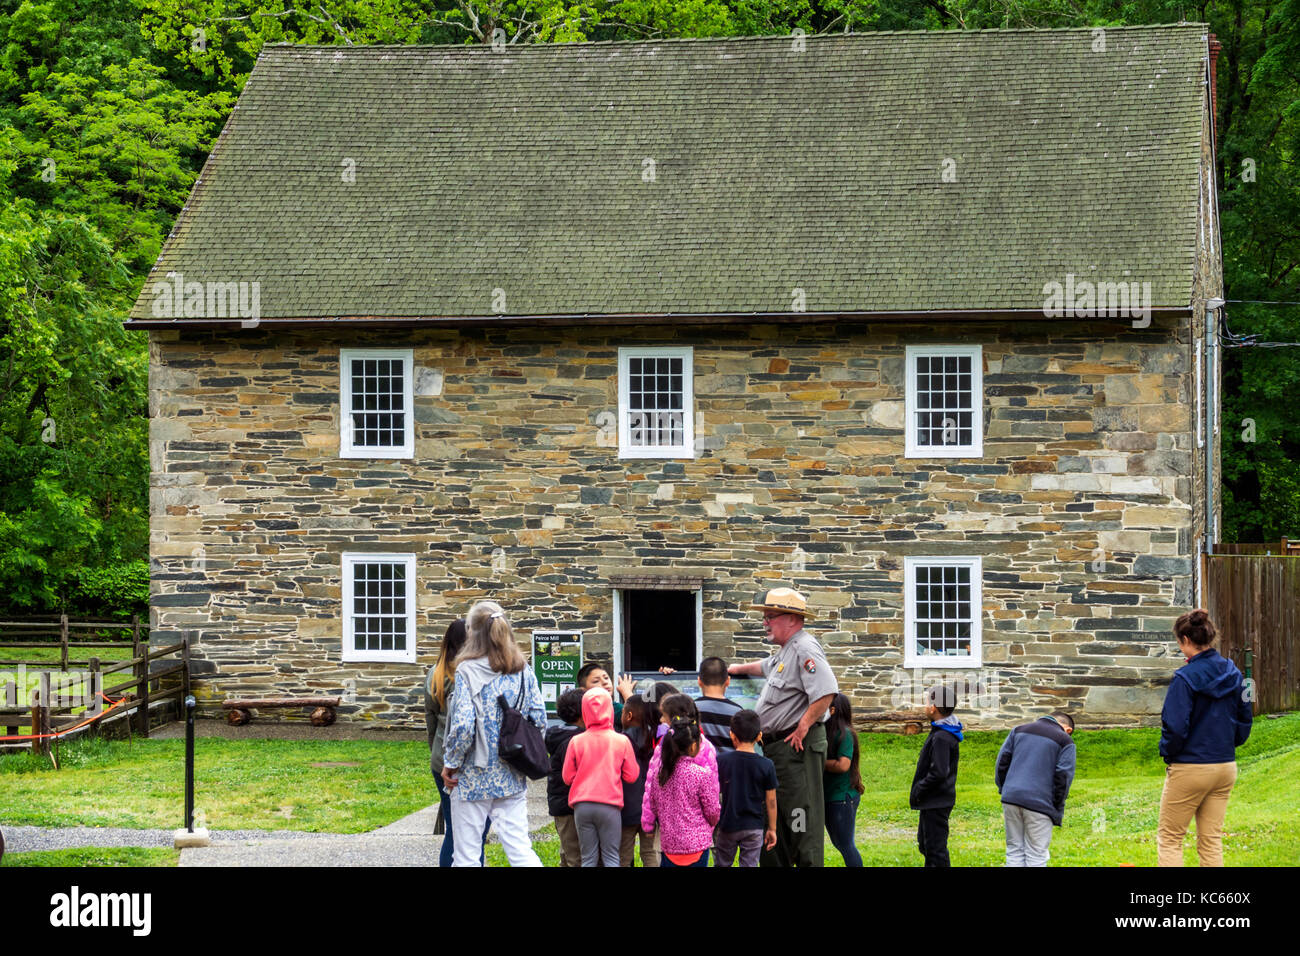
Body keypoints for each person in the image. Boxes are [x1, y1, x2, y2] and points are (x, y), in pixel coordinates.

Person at [728, 586, 838, 866]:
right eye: (765, 616)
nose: (765, 622)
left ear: (792, 618)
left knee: (801, 816)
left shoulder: (804, 647)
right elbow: (765, 666)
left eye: (771, 616)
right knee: (779, 816)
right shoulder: (785, 651)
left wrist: (802, 727)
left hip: (796, 750)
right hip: (778, 750)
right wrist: (736, 669)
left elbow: (826, 691)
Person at [441, 601, 547, 867]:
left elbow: (463, 726)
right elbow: (539, 720)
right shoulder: (524, 670)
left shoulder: (466, 670)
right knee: (521, 850)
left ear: (472, 632)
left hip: (473, 776)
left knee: (466, 855)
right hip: (511, 771)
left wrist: (451, 762)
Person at [1156, 609, 1253, 867]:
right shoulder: (1235, 674)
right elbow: (1246, 713)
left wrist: (1169, 753)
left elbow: (1175, 726)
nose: (1180, 648)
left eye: (1179, 642)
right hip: (1224, 766)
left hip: (1190, 767)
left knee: (1170, 838)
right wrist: (1229, 743)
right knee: (1211, 839)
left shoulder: (1184, 678)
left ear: (1186, 640)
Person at [424, 619, 488, 867]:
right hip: (473, 760)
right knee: (477, 830)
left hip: (442, 759)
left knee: (454, 828)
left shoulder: (435, 675)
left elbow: (431, 720)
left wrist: (436, 754)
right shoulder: (478, 674)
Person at [563, 687, 640, 867]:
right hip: (610, 805)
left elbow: (567, 778)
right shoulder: (621, 740)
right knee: (612, 857)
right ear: (610, 710)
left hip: (582, 805)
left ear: (584, 711)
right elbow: (632, 776)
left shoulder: (576, 741)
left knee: (588, 858)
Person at [642, 695, 721, 867]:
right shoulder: (703, 762)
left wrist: (648, 822)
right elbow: (712, 803)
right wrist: (711, 824)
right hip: (698, 842)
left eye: (664, 715)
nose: (661, 719)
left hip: (670, 842)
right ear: (692, 747)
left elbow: (651, 794)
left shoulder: (660, 768)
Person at [994, 711, 1075, 867]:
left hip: (1011, 797)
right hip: (1041, 802)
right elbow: (1063, 777)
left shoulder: (1018, 730)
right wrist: (1056, 805)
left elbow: (1002, 762)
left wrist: (1005, 789)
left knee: (1014, 850)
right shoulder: (1065, 741)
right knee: (1036, 854)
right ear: (1068, 730)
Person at [715, 709, 778, 867]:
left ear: (732, 735)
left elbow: (713, 793)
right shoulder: (767, 764)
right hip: (754, 826)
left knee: (722, 863)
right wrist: (772, 828)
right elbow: (771, 801)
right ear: (759, 736)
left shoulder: (721, 761)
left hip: (727, 824)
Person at [909, 682, 962, 867]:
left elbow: (939, 772)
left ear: (933, 707)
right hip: (933, 800)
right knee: (926, 844)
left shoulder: (942, 737)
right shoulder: (941, 731)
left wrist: (919, 789)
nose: (925, 706)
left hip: (936, 800)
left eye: (926, 703)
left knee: (935, 850)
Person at [618, 694, 660, 867]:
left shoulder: (620, 740)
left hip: (625, 808)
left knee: (623, 855)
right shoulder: (656, 739)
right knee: (650, 853)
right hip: (651, 807)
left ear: (628, 716)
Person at [823, 692, 864, 867]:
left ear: (833, 710)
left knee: (846, 845)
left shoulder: (846, 734)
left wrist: (818, 762)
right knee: (839, 843)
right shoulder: (826, 731)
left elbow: (843, 765)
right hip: (830, 797)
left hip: (842, 798)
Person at [545, 688, 585, 867]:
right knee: (575, 855)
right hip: (572, 803)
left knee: (568, 850)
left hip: (560, 803)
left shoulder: (556, 734)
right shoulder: (577, 739)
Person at [695, 656, 744, 754]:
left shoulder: (691, 708)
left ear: (699, 681)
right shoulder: (738, 712)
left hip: (701, 767)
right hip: (729, 767)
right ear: (728, 681)